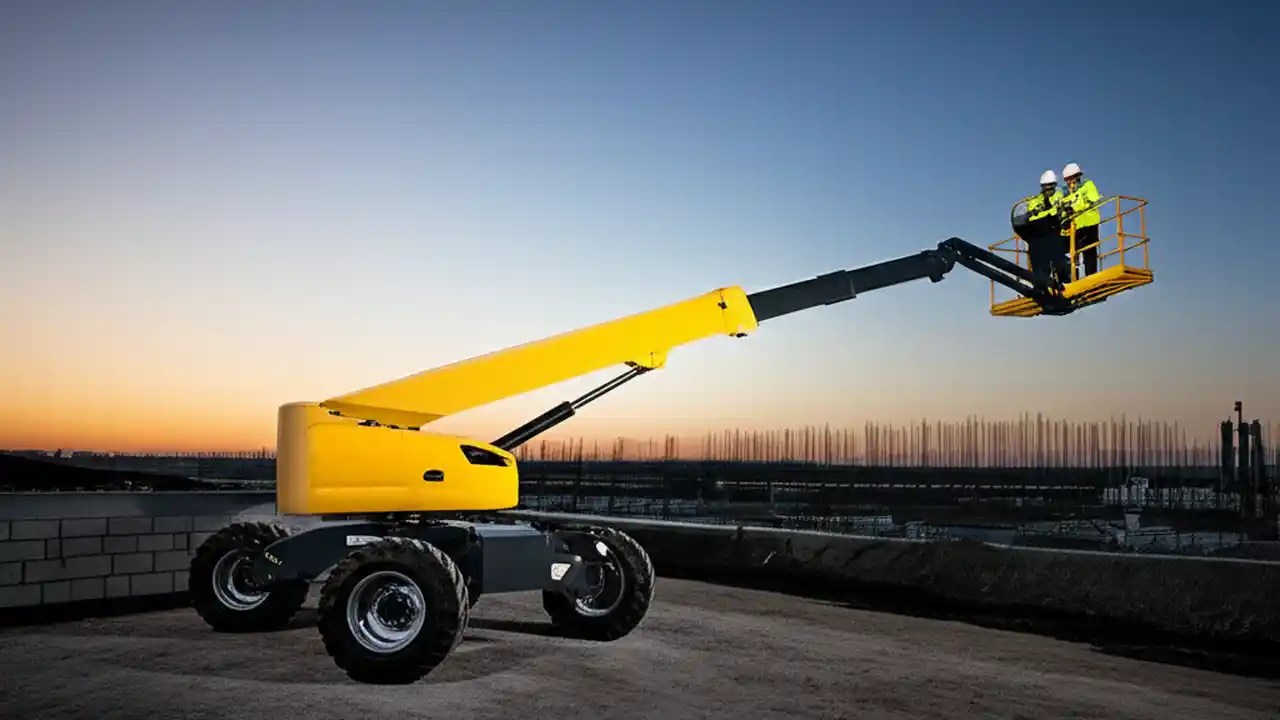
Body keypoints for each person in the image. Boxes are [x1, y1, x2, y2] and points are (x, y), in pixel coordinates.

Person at [1012, 170, 1068, 284]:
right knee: (1037, 251)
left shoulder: (1060, 196)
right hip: (1041, 234)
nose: (1048, 190)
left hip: (1055, 231)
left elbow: (1059, 210)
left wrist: (1050, 212)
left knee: (1057, 254)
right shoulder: (1036, 200)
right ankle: (1040, 280)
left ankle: (1063, 278)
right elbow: (1030, 216)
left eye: (1050, 187)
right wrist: (1035, 214)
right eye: (1045, 187)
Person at [1061, 162, 1102, 277]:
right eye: (1067, 180)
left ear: (1077, 176)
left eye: (1071, 179)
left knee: (1089, 251)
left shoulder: (1087, 186)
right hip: (1074, 228)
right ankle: (1071, 275)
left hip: (1089, 224)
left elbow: (1093, 199)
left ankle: (1091, 277)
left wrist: (1074, 208)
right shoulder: (1066, 195)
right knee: (1061, 249)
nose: (1069, 182)